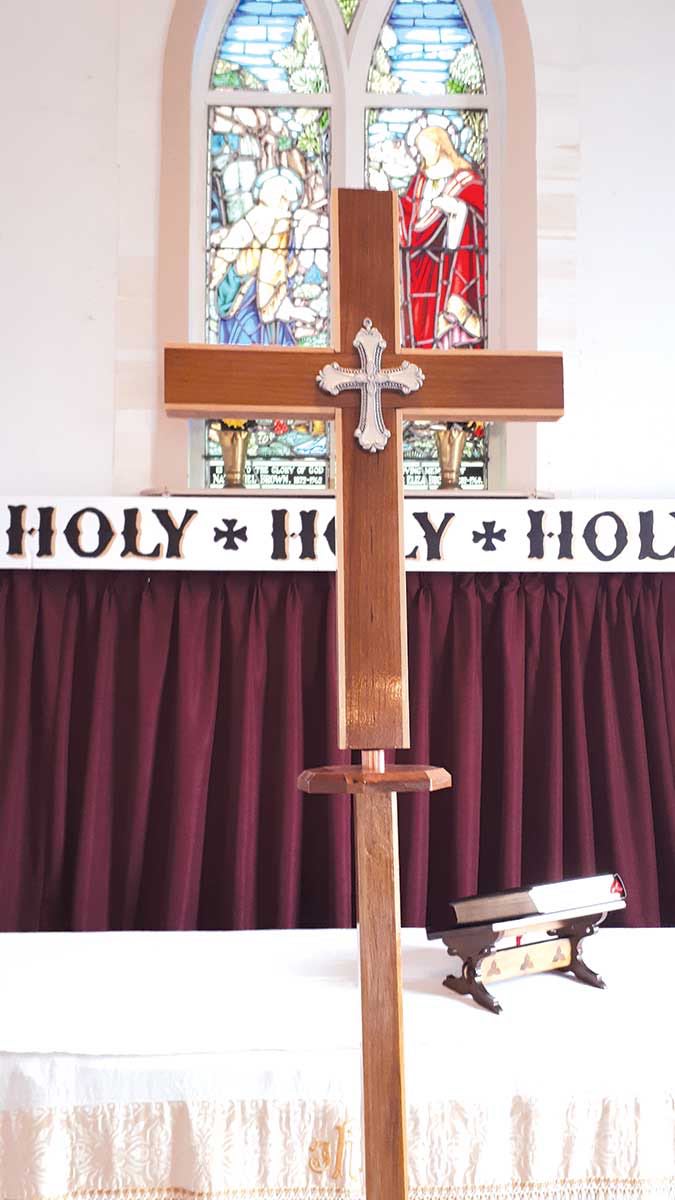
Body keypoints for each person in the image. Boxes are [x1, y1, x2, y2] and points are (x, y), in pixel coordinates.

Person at [399, 124, 486, 350]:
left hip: (449, 261)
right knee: (419, 319)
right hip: (418, 261)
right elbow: (407, 213)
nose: (422, 155)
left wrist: (457, 209)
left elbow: (480, 217)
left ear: (439, 146)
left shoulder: (465, 179)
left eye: (425, 148)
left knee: (444, 309)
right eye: (420, 150)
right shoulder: (420, 181)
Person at [209, 167, 315, 345]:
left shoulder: (285, 232)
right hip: (247, 315)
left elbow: (280, 278)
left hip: (269, 320)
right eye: (284, 200)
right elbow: (228, 297)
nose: (286, 206)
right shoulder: (258, 228)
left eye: (288, 202)